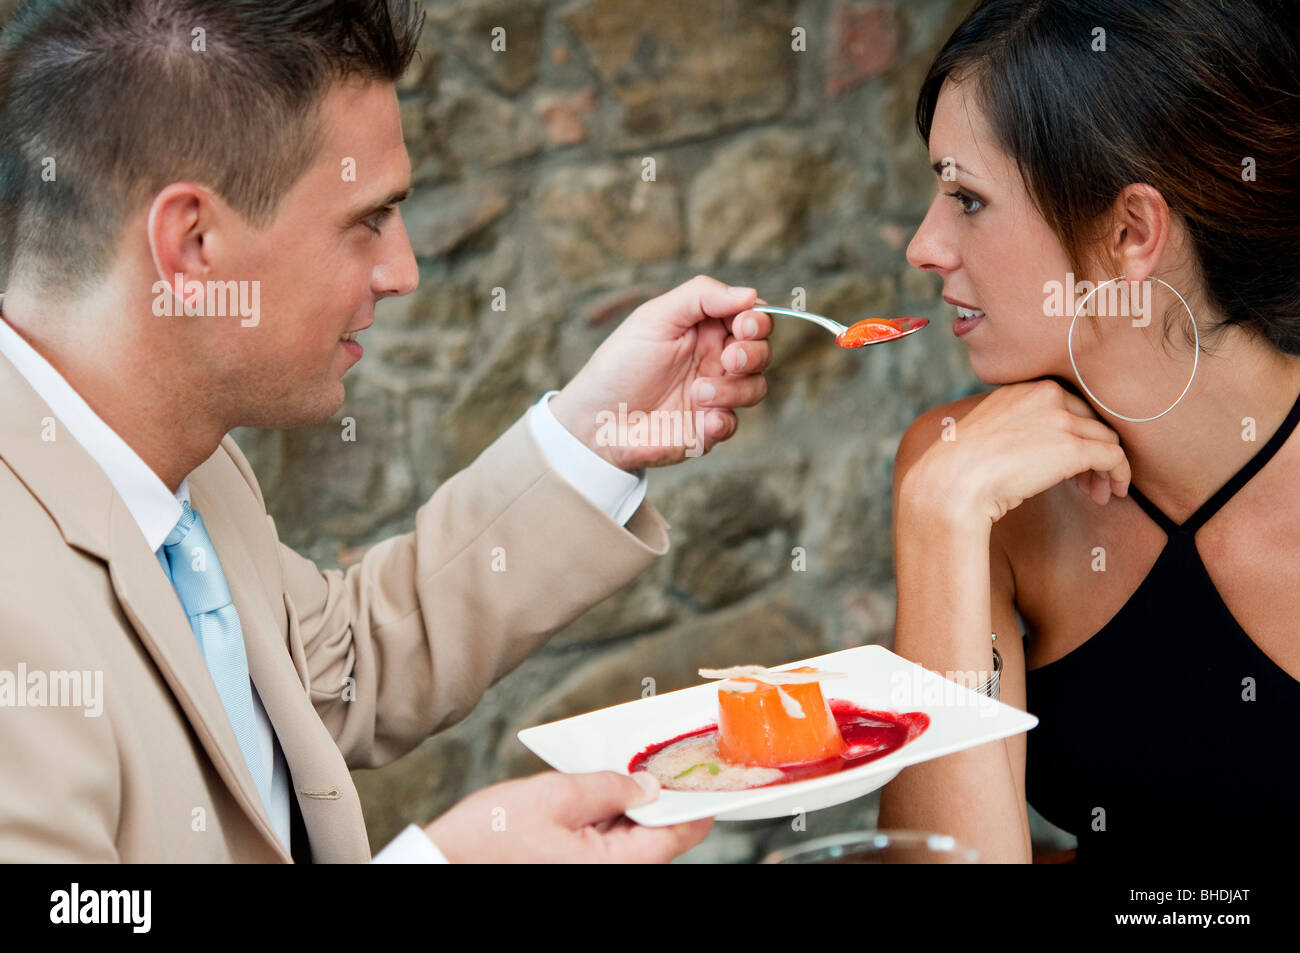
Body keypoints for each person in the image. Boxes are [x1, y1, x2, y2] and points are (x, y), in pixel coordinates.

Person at [0, 0, 774, 863]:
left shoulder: (182, 459)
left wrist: (595, 437)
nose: (401, 271)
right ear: (193, 244)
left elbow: (337, 663)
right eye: (368, 219)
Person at [879, 0, 1300, 863]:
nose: (924, 245)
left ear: (1130, 230)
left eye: (967, 198)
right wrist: (940, 518)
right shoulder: (964, 473)